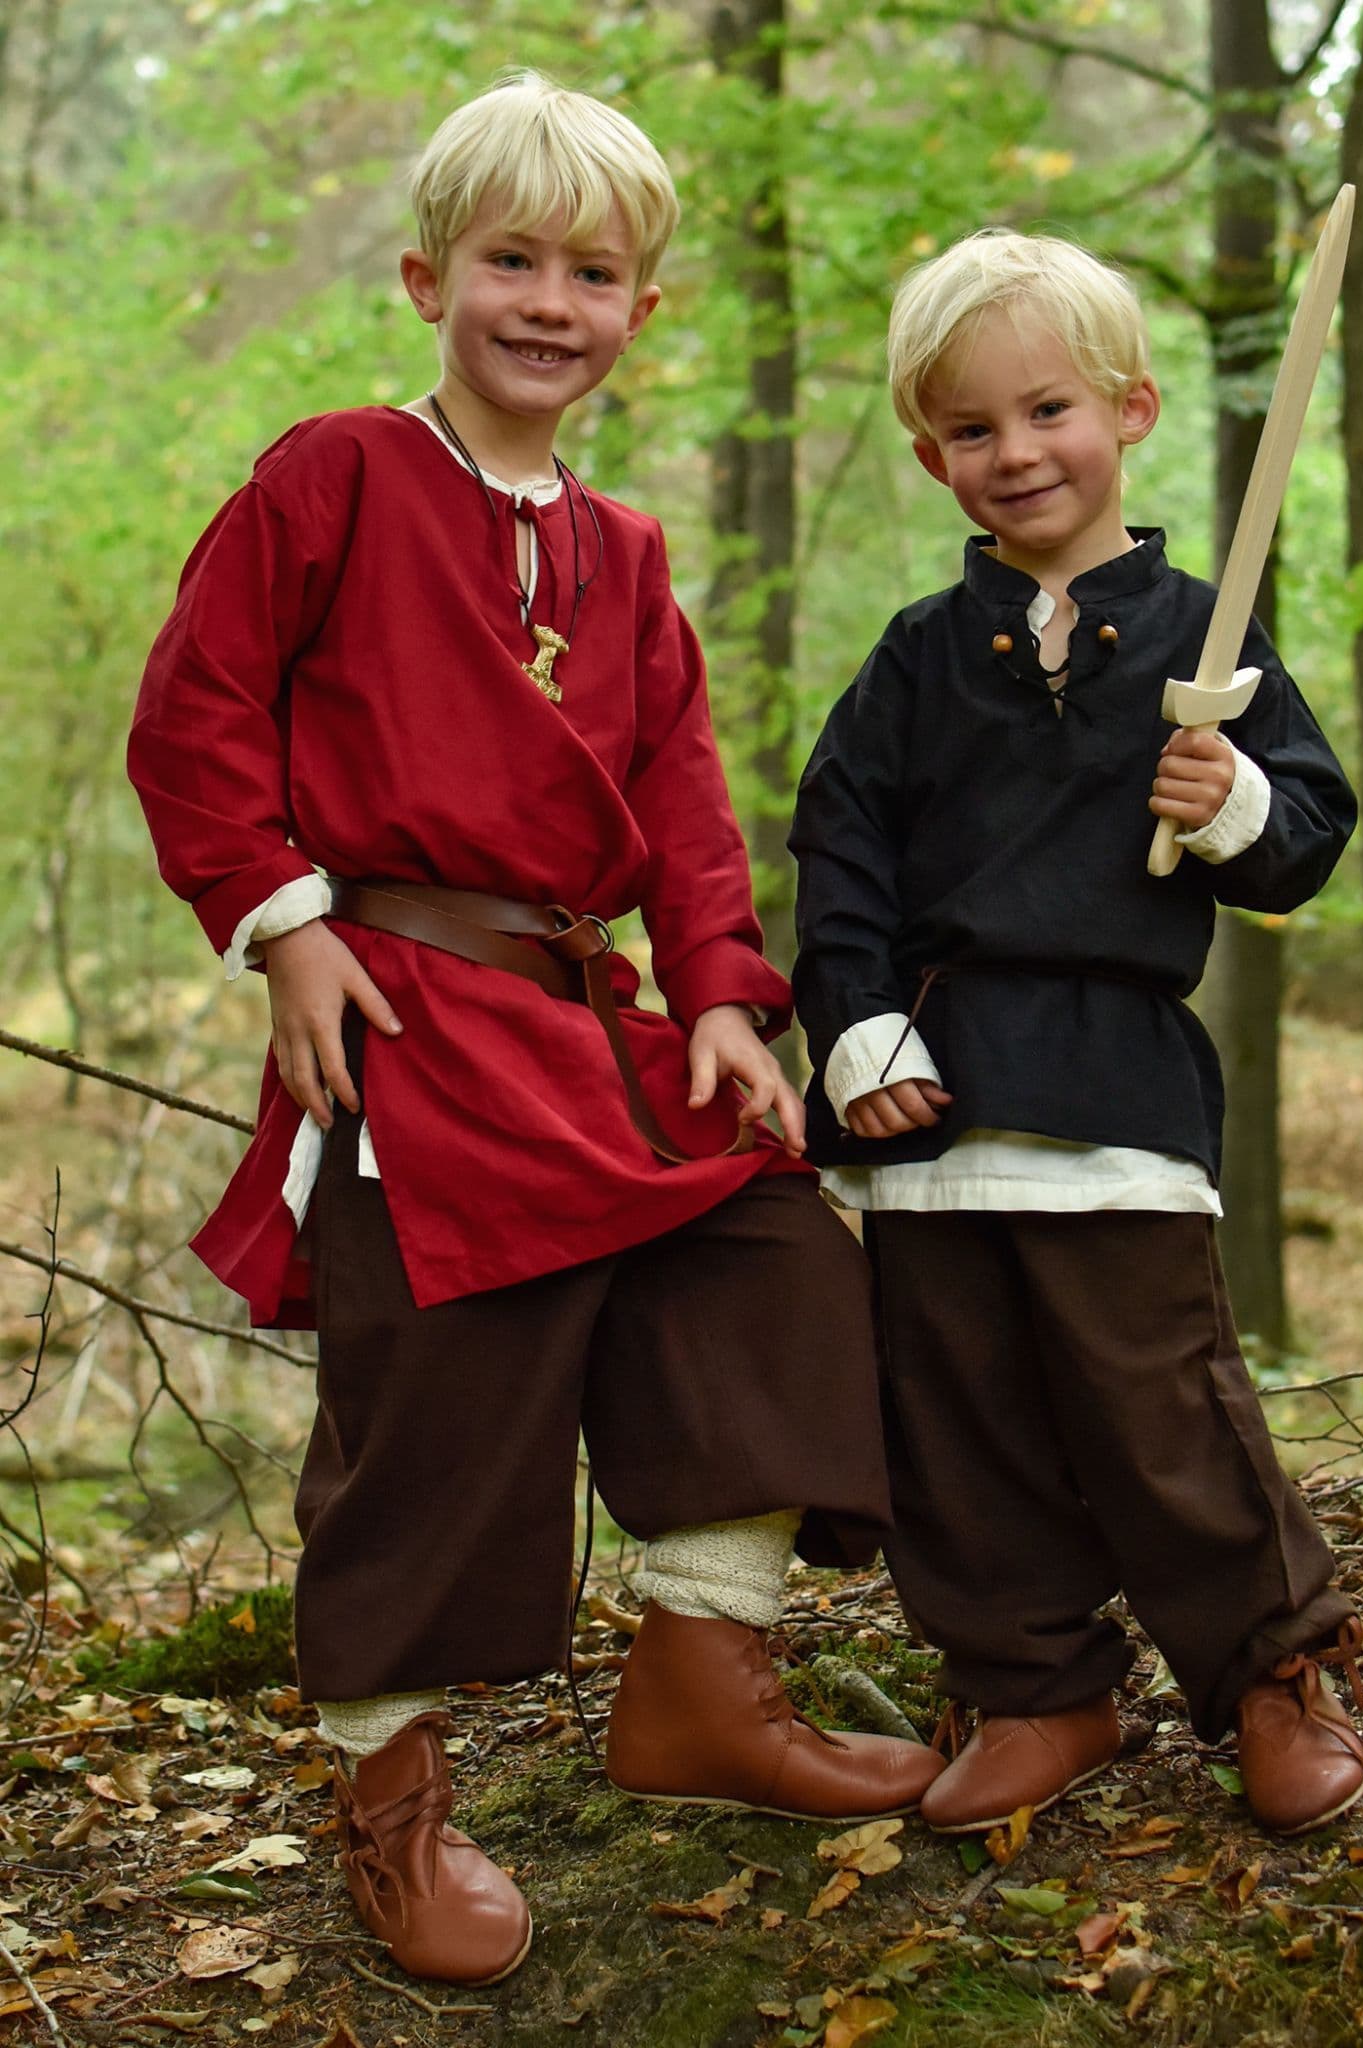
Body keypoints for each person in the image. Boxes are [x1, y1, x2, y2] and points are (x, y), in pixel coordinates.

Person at [129, 72, 942, 1987]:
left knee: (772, 1266)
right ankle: (387, 1793)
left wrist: (732, 999)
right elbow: (197, 720)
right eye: (512, 260)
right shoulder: (332, 474)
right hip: (401, 1022)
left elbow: (679, 799)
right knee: (438, 1409)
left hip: (590, 1027)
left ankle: (699, 1687)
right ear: (431, 274)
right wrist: (289, 926)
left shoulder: (634, 555)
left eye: (592, 270)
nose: (548, 301)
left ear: (641, 313)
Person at [790, 227, 1363, 1843]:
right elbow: (835, 855)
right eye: (970, 430)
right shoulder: (913, 659)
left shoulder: (1208, 632)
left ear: (1127, 411)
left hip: (1115, 1088)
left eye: (1045, 411)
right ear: (928, 455)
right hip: (933, 1088)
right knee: (957, 1428)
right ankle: (1038, 1688)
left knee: (1159, 1408)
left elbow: (1308, 836)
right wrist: (848, 1036)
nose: (1013, 453)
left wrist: (1235, 794)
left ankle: (1269, 1673)